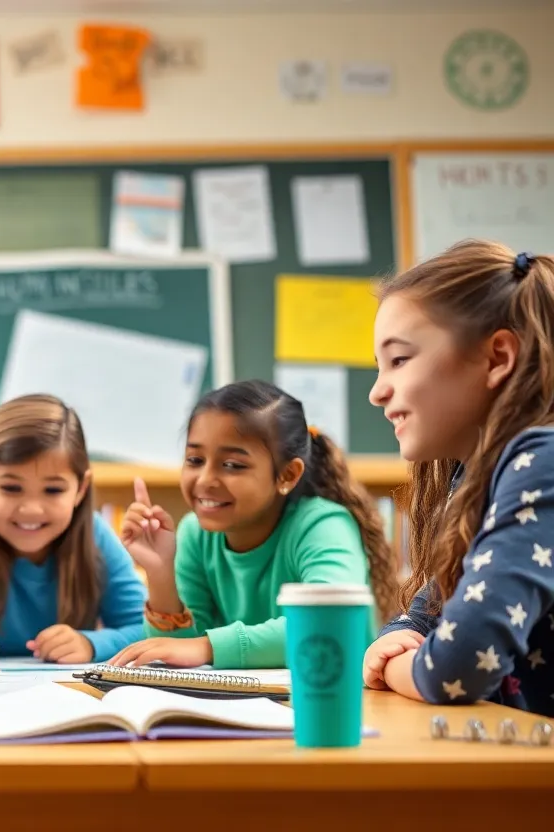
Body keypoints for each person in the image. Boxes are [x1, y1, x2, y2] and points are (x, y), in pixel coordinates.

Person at [363, 242, 554, 715]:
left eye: (399, 360)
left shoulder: (542, 464)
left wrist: (392, 667)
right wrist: (395, 644)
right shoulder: (475, 477)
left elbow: (456, 665)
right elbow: (421, 619)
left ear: (497, 358)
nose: (377, 392)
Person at [111, 380, 397, 670]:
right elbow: (178, 652)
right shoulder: (194, 534)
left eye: (233, 465)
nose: (205, 479)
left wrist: (207, 647)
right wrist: (160, 573)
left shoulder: (323, 525)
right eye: (195, 460)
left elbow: (327, 622)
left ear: (287, 475)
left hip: (335, 692)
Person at [0, 395, 147, 663]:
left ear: (80, 489)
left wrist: (91, 643)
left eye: (53, 490)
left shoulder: (95, 536)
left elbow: (146, 628)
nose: (31, 509)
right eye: (11, 488)